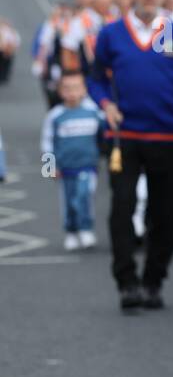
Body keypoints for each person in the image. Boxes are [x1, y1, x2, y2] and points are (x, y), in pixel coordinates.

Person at [88, 0, 173, 310]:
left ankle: (154, 279)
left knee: (164, 212)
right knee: (122, 208)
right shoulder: (111, 34)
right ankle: (126, 281)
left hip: (167, 135)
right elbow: (95, 79)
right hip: (124, 136)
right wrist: (106, 104)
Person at [40, 72, 104, 250]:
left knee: (84, 196)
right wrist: (49, 168)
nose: (72, 92)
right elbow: (47, 141)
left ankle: (86, 228)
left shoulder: (94, 112)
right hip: (66, 168)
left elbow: (104, 136)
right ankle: (71, 231)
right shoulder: (55, 116)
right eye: (67, 88)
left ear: (84, 89)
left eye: (76, 88)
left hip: (88, 166)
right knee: (68, 201)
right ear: (60, 91)